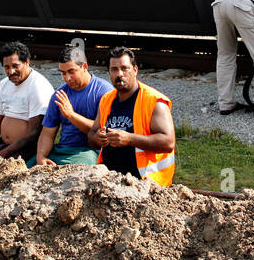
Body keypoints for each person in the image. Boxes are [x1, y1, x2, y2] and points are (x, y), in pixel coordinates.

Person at [91, 47, 176, 186]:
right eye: (114, 69)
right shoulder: (106, 99)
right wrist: (97, 138)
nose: (120, 74)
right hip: (110, 180)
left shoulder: (154, 101)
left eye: (125, 68)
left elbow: (168, 143)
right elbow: (92, 134)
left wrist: (129, 139)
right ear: (109, 72)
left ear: (135, 70)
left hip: (147, 183)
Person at [32, 45, 112, 165]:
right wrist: (41, 157)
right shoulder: (59, 95)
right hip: (62, 150)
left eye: (71, 72)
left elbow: (102, 130)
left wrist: (71, 115)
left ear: (84, 66)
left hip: (89, 152)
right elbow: (48, 133)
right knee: (25, 171)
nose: (67, 78)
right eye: (63, 73)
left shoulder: (104, 92)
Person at [0, 41, 54, 160]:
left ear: (26, 62)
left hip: (26, 148)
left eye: (15, 66)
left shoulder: (38, 86)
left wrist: (4, 153)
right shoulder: (4, 84)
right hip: (3, 145)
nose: (11, 72)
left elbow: (33, 132)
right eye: (7, 67)